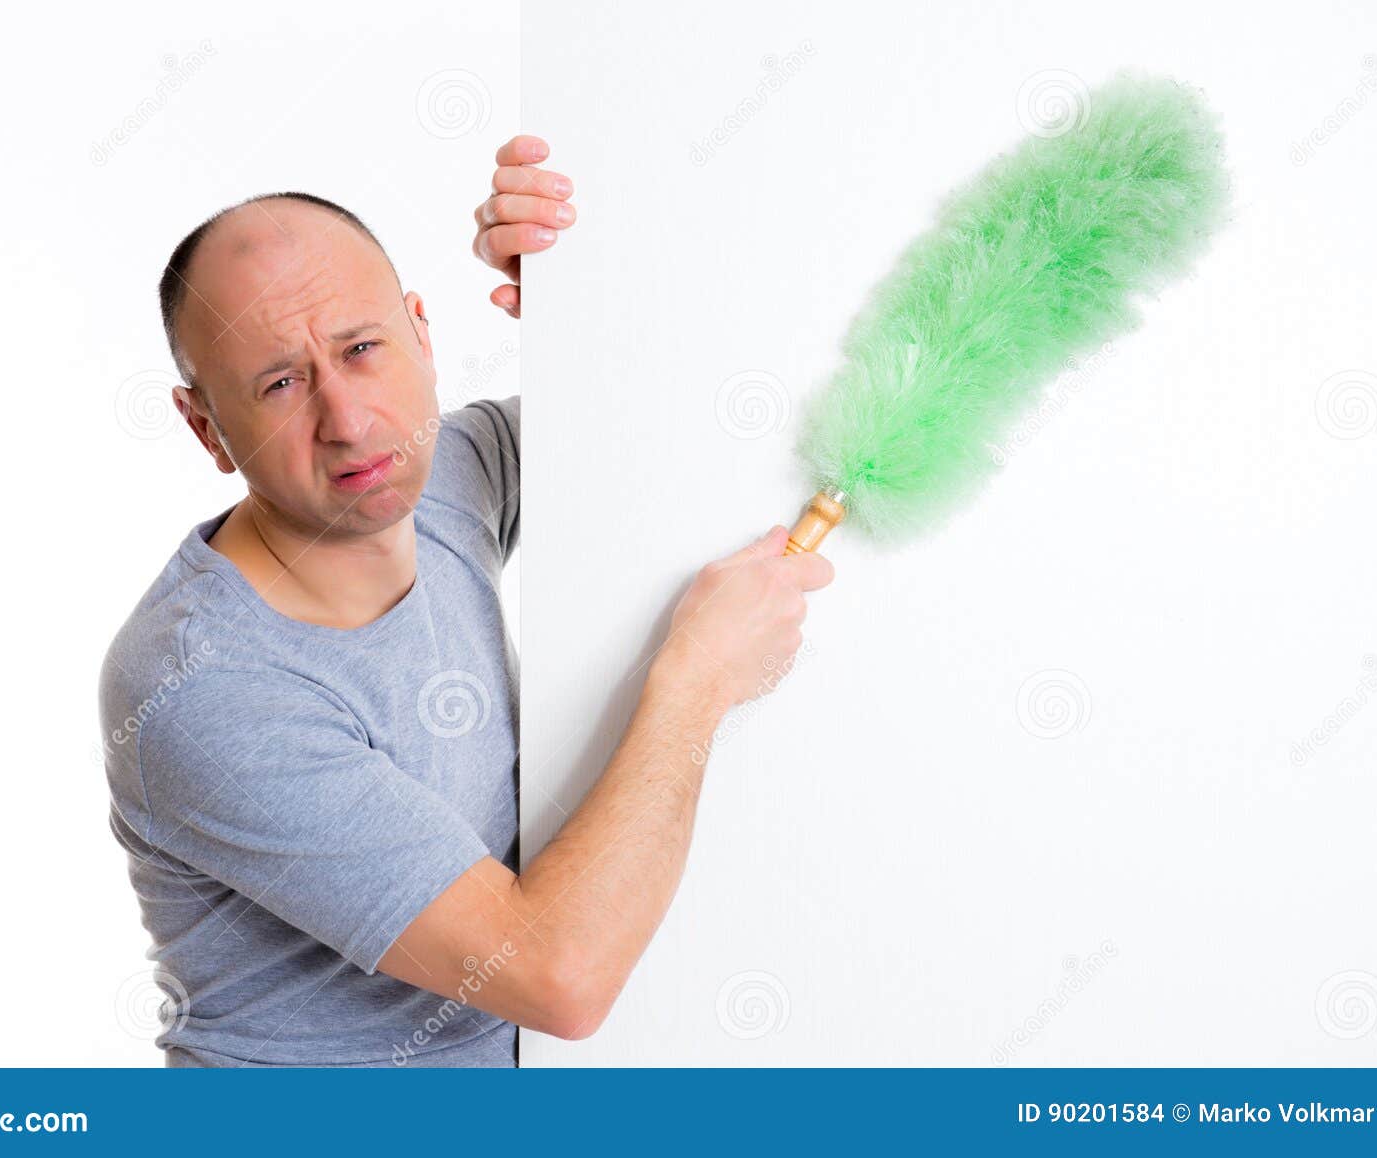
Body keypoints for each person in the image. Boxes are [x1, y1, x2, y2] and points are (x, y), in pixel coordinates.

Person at [99, 135, 833, 1067]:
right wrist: (697, 681)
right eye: (280, 383)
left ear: (422, 333)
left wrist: (575, 290)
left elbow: (688, 423)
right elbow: (558, 978)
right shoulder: (206, 685)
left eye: (363, 349)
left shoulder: (448, 474)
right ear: (206, 426)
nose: (348, 420)